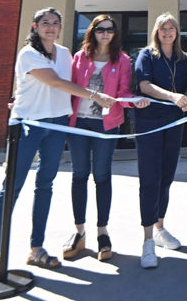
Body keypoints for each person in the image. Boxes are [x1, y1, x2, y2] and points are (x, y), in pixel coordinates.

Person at [0, 7, 119, 282]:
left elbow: (73, 82)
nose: (51, 27)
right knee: (11, 187)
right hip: (28, 125)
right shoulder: (28, 53)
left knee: (45, 186)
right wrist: (95, 96)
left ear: (61, 28)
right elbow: (56, 82)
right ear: (35, 26)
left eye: (55, 23)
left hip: (58, 124)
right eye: (45, 22)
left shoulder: (64, 53)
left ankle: (36, 249)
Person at [63, 15, 147, 262]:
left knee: (102, 175)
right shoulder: (79, 57)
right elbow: (69, 86)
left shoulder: (122, 60)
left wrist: (134, 101)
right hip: (79, 123)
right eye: (101, 29)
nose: (105, 33)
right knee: (79, 175)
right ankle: (79, 232)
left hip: (106, 125)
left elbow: (123, 92)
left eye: (110, 29)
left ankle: (102, 232)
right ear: (93, 32)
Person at [134, 12, 187, 269]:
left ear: (176, 32)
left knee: (166, 177)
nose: (167, 32)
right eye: (163, 28)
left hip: (174, 124)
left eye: (171, 28)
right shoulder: (146, 55)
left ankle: (160, 228)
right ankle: (147, 240)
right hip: (149, 123)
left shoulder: (184, 59)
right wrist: (173, 96)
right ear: (156, 32)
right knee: (150, 179)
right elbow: (145, 86)